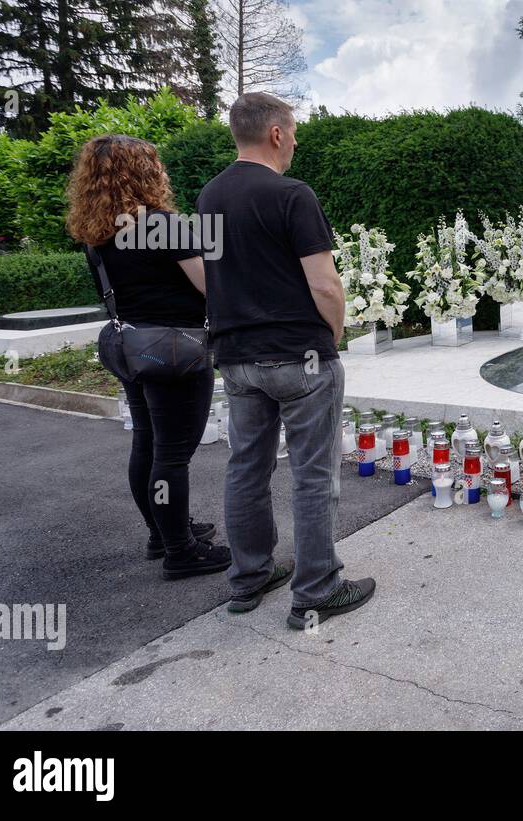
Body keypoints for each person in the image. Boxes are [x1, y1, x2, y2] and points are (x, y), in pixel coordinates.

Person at [197, 92, 375, 629]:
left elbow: (212, 278)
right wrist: (333, 338)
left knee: (245, 469)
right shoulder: (293, 195)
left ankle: (250, 579)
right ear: (275, 133)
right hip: (301, 359)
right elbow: (325, 285)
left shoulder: (207, 197)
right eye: (292, 130)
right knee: (313, 475)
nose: (295, 140)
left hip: (238, 360)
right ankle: (317, 591)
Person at [67, 135, 231, 580]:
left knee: (148, 442)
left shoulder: (97, 232)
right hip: (175, 352)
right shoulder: (162, 224)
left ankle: (162, 533)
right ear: (144, 172)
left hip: (131, 349)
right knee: (173, 454)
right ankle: (182, 551)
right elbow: (212, 288)